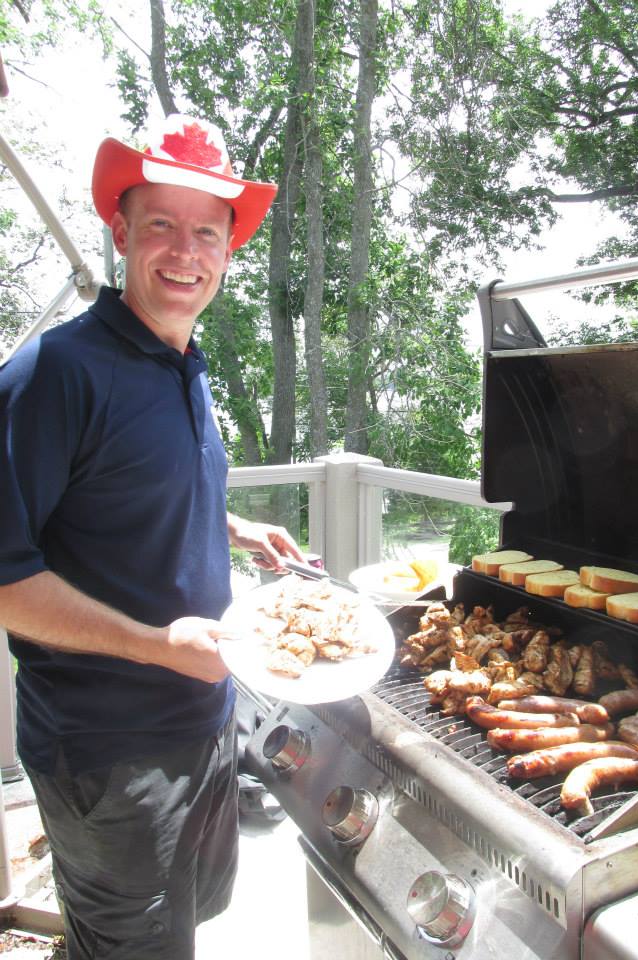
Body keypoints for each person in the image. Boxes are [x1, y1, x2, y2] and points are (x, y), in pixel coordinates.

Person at [0, 114, 305, 959]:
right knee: (133, 947)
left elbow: (125, 490)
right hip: (109, 752)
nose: (185, 251)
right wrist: (155, 646)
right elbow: (6, 577)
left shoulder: (183, 359)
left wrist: (238, 528)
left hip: (205, 716)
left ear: (228, 251)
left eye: (206, 230)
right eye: (161, 224)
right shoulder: (56, 372)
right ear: (120, 231)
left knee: (184, 919)